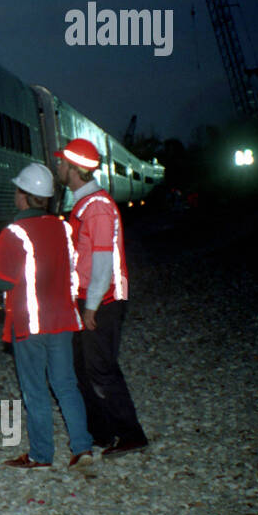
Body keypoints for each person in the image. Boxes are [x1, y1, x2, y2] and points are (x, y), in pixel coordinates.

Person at [0, 163, 94, 469]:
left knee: (34, 389)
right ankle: (83, 448)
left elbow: (5, 280)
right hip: (63, 319)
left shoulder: (13, 233)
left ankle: (41, 455)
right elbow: (72, 268)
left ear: (23, 195)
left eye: (17, 189)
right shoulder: (64, 227)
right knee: (65, 384)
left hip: (30, 323)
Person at [53, 138, 149, 456]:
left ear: (74, 169)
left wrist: (91, 306)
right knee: (82, 366)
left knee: (101, 367)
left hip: (103, 301)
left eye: (62, 163)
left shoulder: (97, 207)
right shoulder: (86, 204)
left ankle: (130, 434)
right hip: (89, 299)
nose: (58, 168)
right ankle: (103, 432)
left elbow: (103, 263)